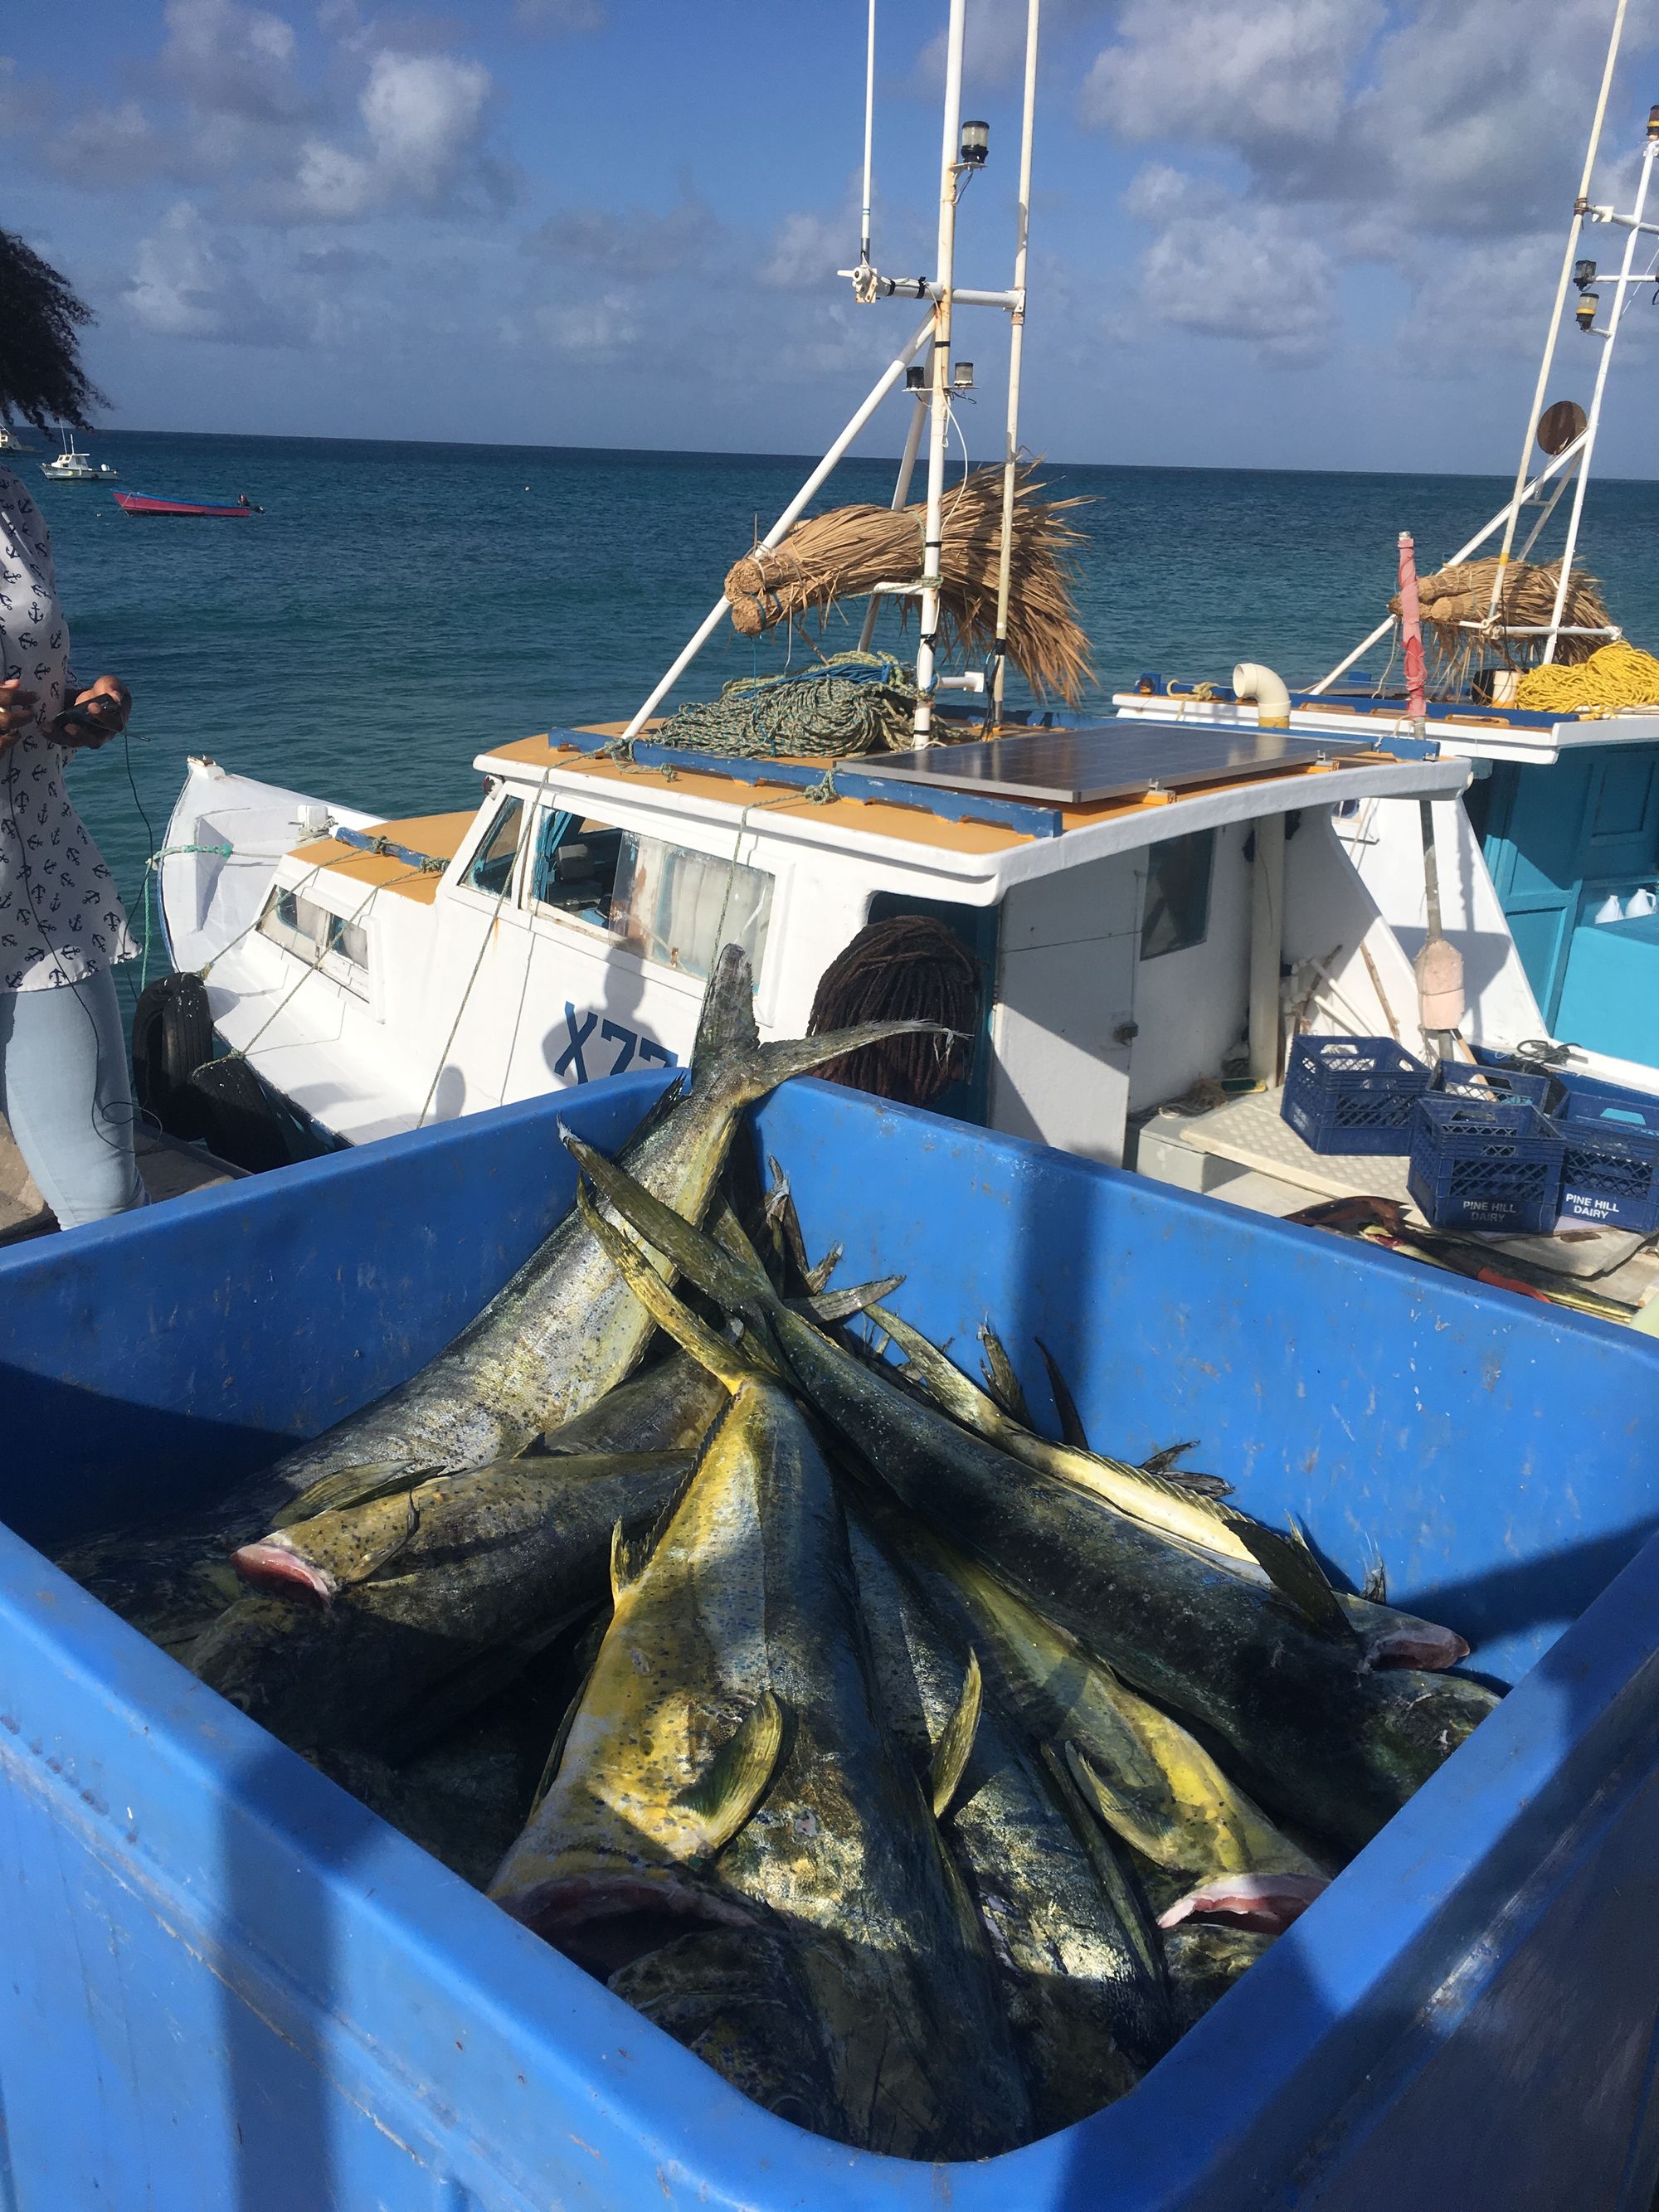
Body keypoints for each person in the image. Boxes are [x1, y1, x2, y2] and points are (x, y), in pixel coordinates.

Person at [0, 228, 144, 1228]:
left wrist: (82, 714)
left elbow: (35, 675)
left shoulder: (15, 508)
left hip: (34, 878)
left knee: (103, 1188)